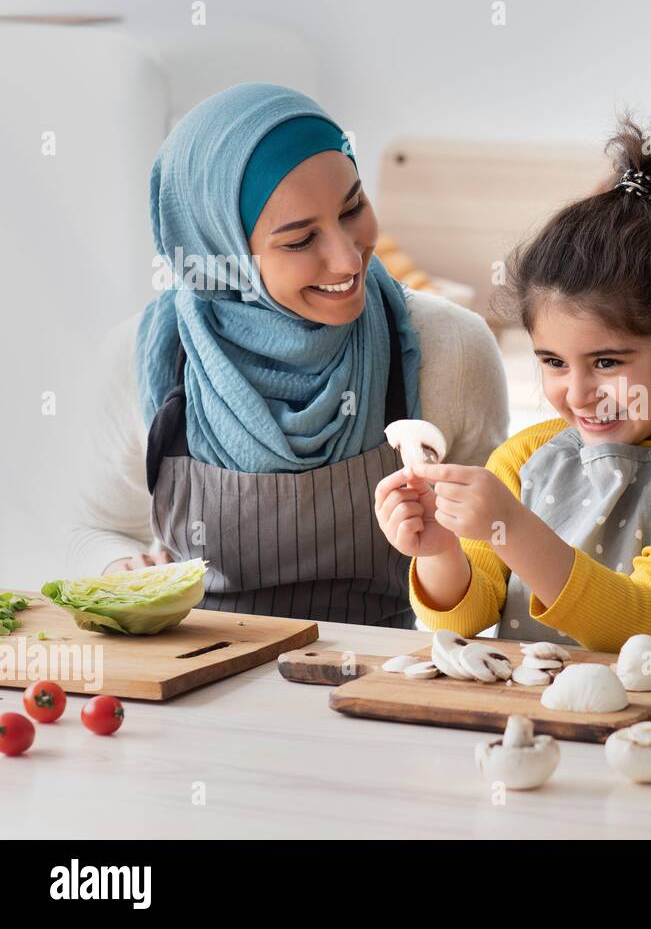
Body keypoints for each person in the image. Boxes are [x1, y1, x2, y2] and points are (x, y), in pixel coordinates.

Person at [68, 83, 508, 626]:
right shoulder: (143, 359)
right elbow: (90, 531)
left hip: (377, 685)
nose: (348, 259)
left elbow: (493, 566)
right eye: (300, 241)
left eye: (354, 208)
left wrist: (445, 550)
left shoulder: (449, 348)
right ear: (220, 249)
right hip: (195, 682)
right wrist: (121, 570)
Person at [375, 121, 651, 655]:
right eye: (554, 362)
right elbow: (466, 619)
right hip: (543, 729)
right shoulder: (522, 460)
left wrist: (511, 527)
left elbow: (649, 625)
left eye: (606, 361)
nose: (579, 393)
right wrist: (440, 551)